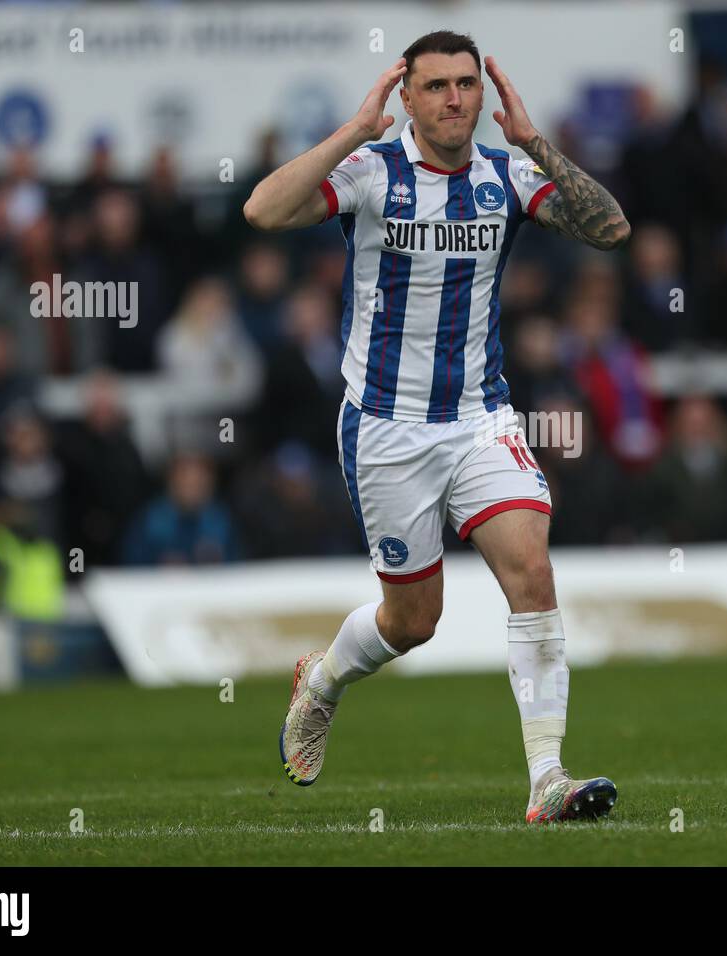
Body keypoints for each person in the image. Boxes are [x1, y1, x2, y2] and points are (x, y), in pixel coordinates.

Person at [244, 30, 630, 823]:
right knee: (412, 621)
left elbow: (611, 229)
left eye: (466, 84)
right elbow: (262, 209)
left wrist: (536, 141)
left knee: (532, 572)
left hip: (480, 417)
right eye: (437, 86)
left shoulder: (507, 173)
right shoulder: (372, 172)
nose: (455, 98)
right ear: (408, 97)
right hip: (386, 429)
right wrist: (354, 129)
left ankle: (547, 780)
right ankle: (322, 680)